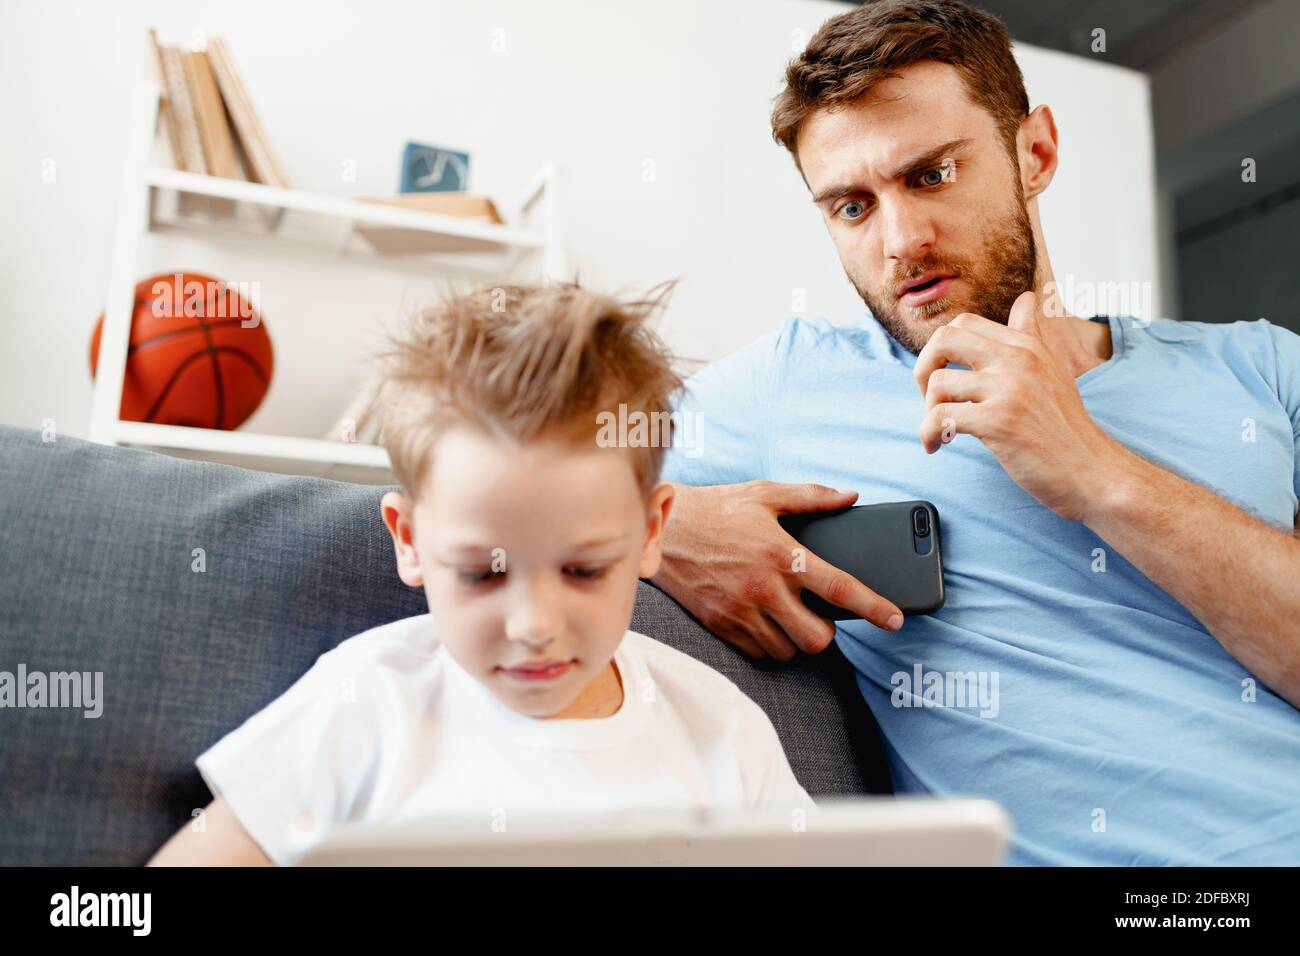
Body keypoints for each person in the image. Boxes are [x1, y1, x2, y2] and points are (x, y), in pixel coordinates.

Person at [653, 0, 1300, 865]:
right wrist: (662, 528)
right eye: (851, 206)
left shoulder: (1262, 367)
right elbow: (495, 480)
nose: (901, 242)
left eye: (932, 175)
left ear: (1036, 153)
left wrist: (1095, 470)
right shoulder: (789, 387)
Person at [148, 282, 814, 866]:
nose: (533, 626)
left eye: (582, 570)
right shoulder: (367, 704)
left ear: (651, 533)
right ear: (409, 540)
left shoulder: (722, 729)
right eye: (481, 575)